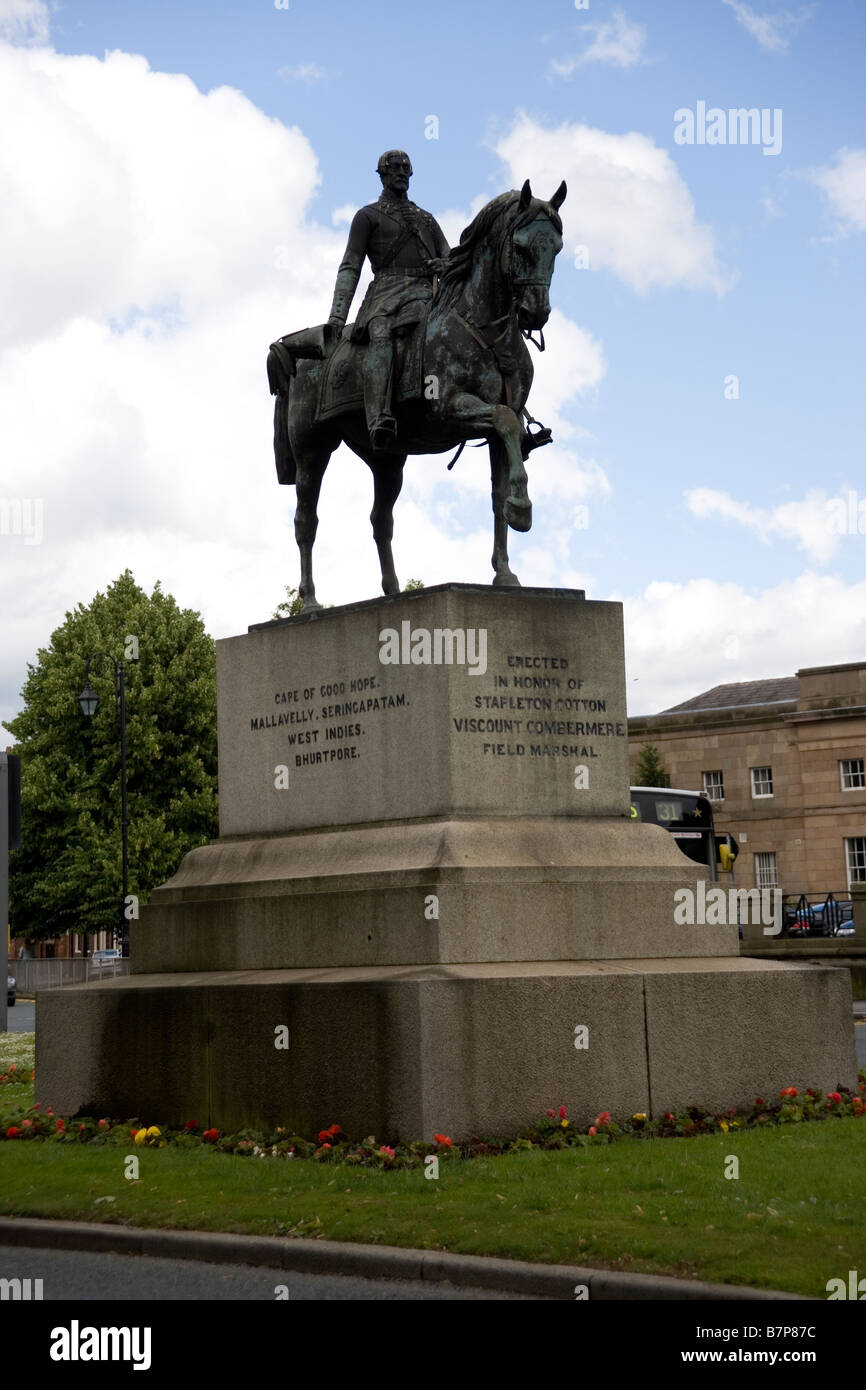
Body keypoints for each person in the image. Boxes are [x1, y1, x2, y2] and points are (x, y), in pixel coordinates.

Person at [328, 150, 449, 451]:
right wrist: (337, 317)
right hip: (385, 293)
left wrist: (443, 266)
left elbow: (450, 258)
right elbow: (350, 266)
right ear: (381, 174)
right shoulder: (367, 216)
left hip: (423, 293)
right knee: (381, 334)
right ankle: (378, 417)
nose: (400, 172)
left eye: (406, 168)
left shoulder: (426, 220)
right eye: (393, 168)